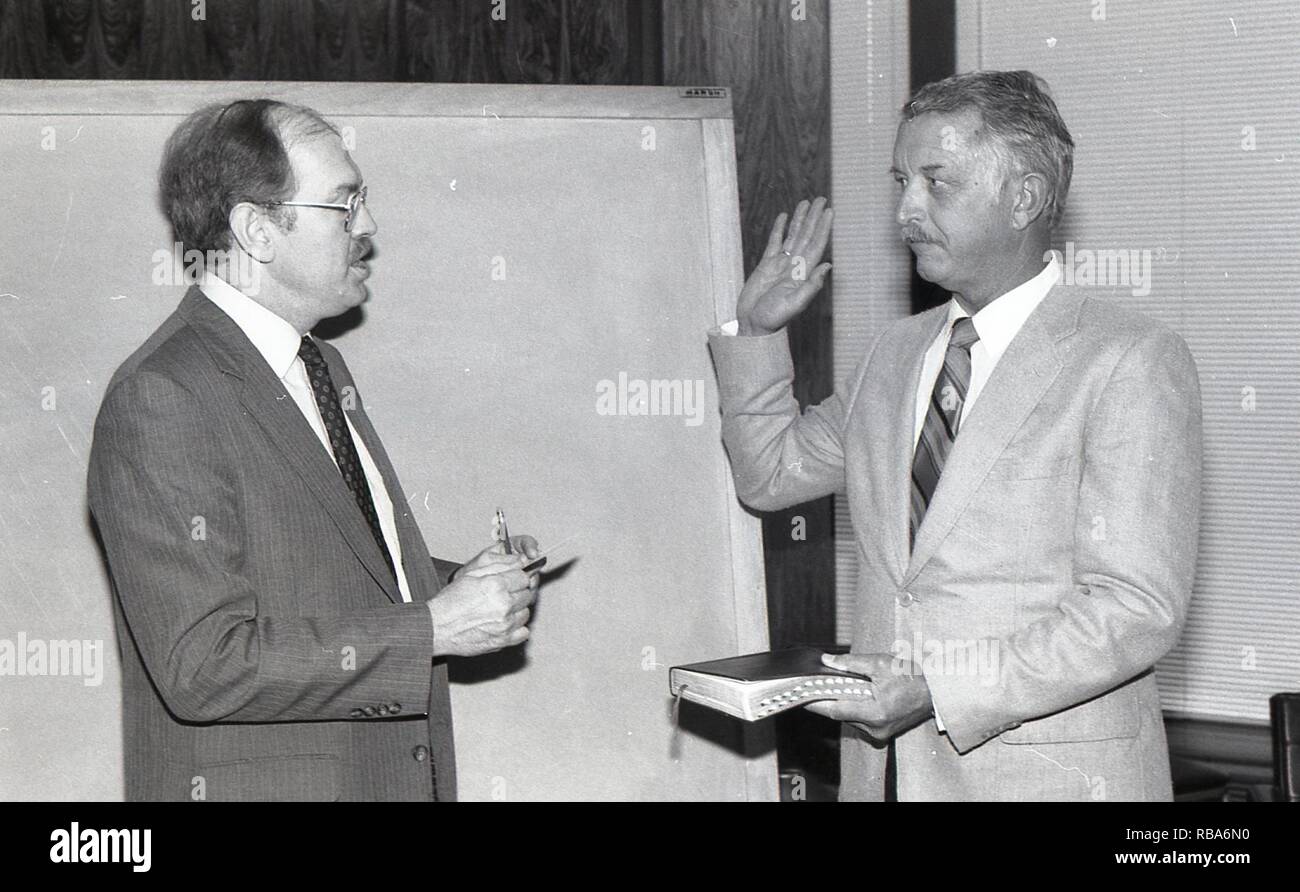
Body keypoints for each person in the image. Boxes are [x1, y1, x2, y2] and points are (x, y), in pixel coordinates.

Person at [710, 70, 1202, 801]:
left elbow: (1134, 609)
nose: (905, 208)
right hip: (886, 778)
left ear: (1025, 197)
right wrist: (756, 332)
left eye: (936, 182)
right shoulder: (892, 356)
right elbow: (771, 477)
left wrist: (935, 688)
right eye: (901, 180)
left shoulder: (1127, 358)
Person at [87, 99, 540, 802]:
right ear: (257, 230)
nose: (369, 225)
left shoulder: (321, 366)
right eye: (345, 203)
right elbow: (203, 664)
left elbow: (324, 568)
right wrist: (435, 627)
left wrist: (445, 582)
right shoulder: (162, 394)